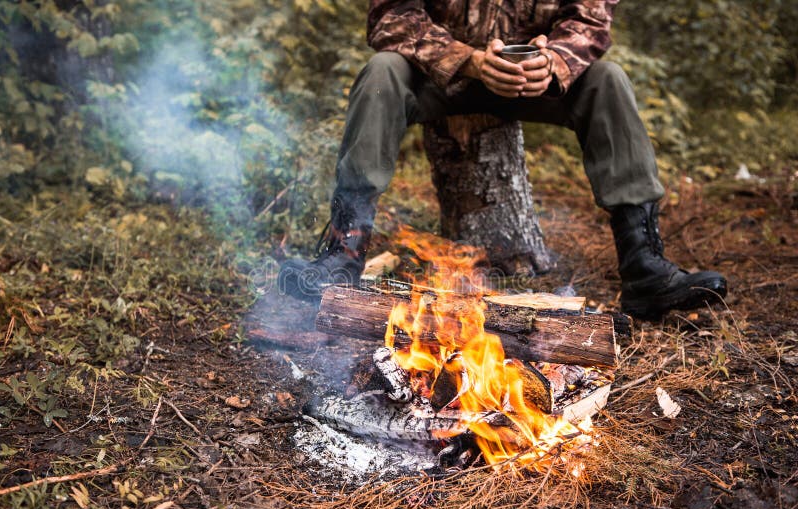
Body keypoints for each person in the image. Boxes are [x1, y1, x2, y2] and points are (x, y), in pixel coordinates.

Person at [278, 0, 727, 320]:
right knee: (381, 72)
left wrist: (552, 60)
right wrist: (468, 60)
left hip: (536, 82)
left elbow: (591, 16)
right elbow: (390, 16)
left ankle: (644, 266)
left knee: (607, 80)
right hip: (444, 77)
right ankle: (344, 253)